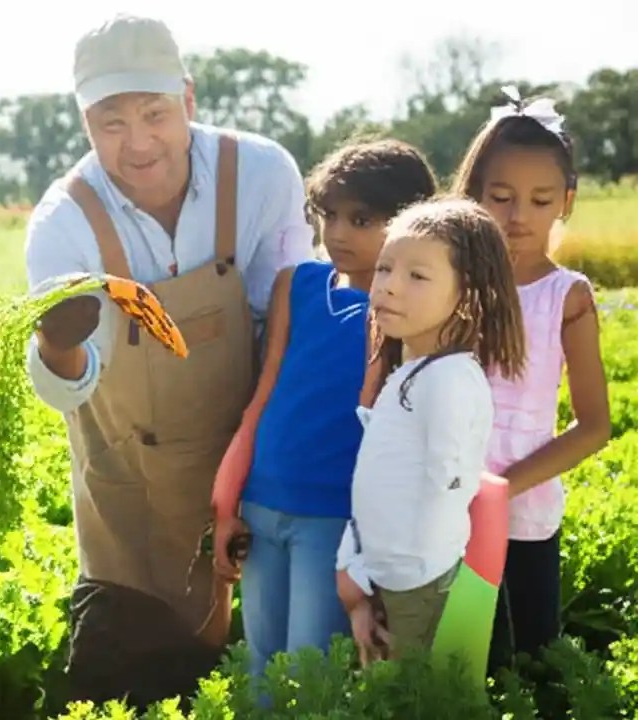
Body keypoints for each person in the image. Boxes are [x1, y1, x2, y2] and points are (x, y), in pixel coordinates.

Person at [24, 13, 315, 707]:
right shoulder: (64, 222)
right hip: (132, 471)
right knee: (135, 663)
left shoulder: (262, 174)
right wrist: (57, 346)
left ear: (187, 100)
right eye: (110, 122)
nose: (138, 142)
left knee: (268, 660)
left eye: (154, 113)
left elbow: (286, 320)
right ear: (84, 122)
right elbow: (68, 391)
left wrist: (259, 452)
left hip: (247, 447)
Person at [210, 139, 438, 677]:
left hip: (333, 516)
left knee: (311, 670)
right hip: (263, 503)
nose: (337, 233)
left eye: (361, 219)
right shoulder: (299, 284)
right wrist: (227, 505)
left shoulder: (407, 312)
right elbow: (262, 399)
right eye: (328, 215)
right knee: (261, 662)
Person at [452, 90, 611, 669]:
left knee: (529, 667)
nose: (518, 215)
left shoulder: (564, 296)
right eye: (500, 197)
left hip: (525, 521)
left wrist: (501, 488)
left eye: (540, 199)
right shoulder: (449, 283)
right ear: (474, 195)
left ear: (565, 202)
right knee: (458, 666)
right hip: (444, 512)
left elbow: (595, 425)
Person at [335, 197, 527, 664]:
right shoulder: (413, 371)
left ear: (468, 294)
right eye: (384, 269)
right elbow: (379, 490)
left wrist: (377, 579)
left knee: (416, 703)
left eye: (417, 276)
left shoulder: (448, 381)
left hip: (416, 588)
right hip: (389, 582)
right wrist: (359, 578)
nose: (389, 287)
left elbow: (446, 498)